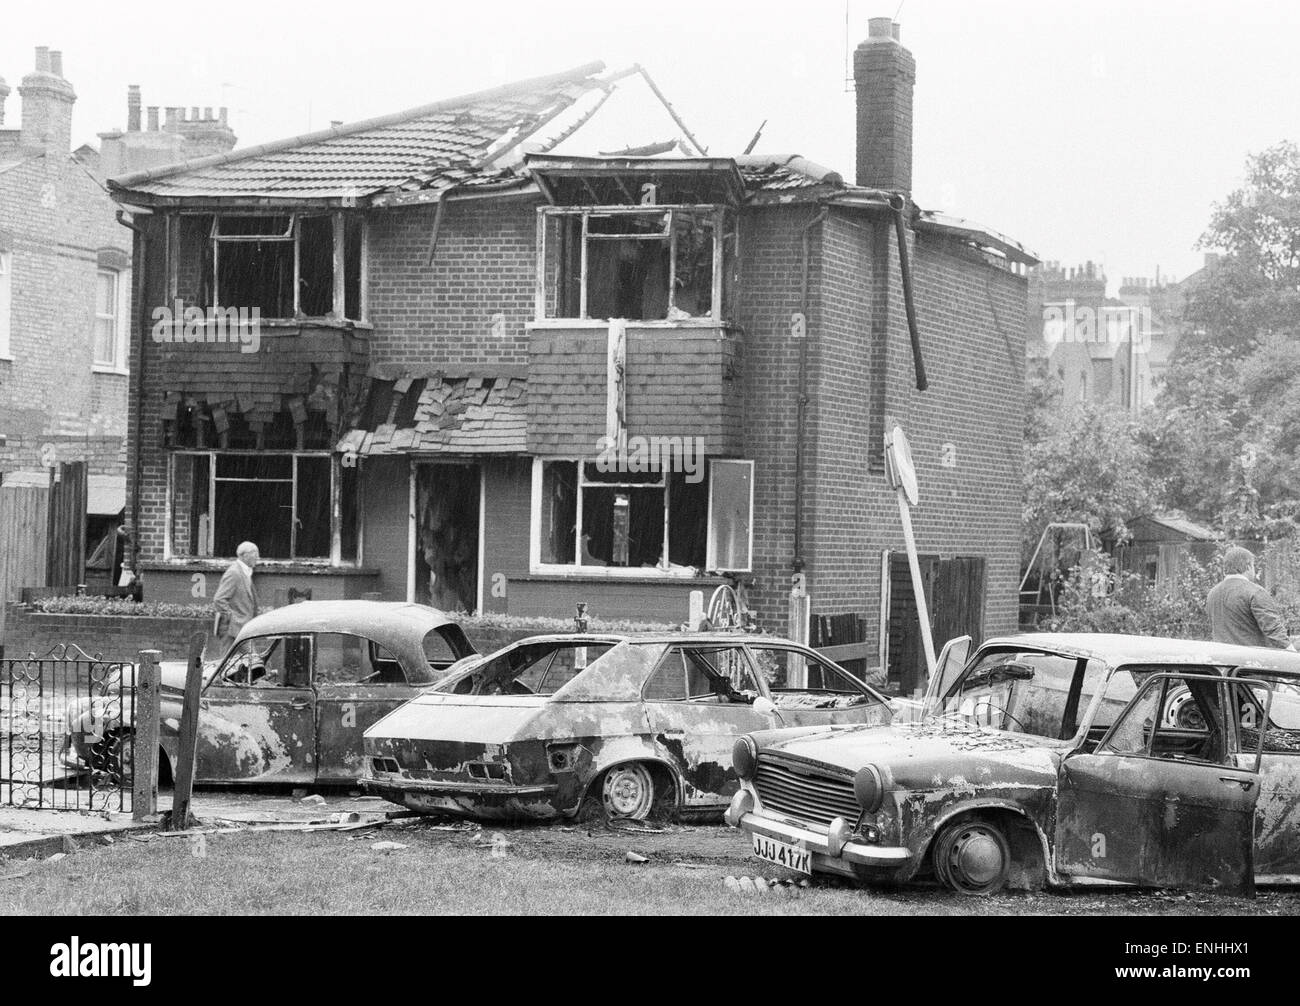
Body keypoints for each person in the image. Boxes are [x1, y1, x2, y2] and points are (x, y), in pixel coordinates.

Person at [1206, 546, 1296, 650]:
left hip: (1221, 660)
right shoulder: (1256, 592)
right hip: (1250, 661)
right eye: (1253, 566)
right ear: (1248, 566)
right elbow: (1273, 630)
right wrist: (1292, 653)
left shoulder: (1212, 593)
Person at [212, 541, 261, 654]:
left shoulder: (244, 572)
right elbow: (219, 599)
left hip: (240, 628)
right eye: (255, 554)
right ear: (245, 555)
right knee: (250, 661)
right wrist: (233, 617)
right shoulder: (234, 573)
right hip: (232, 628)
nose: (257, 558)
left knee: (230, 663)